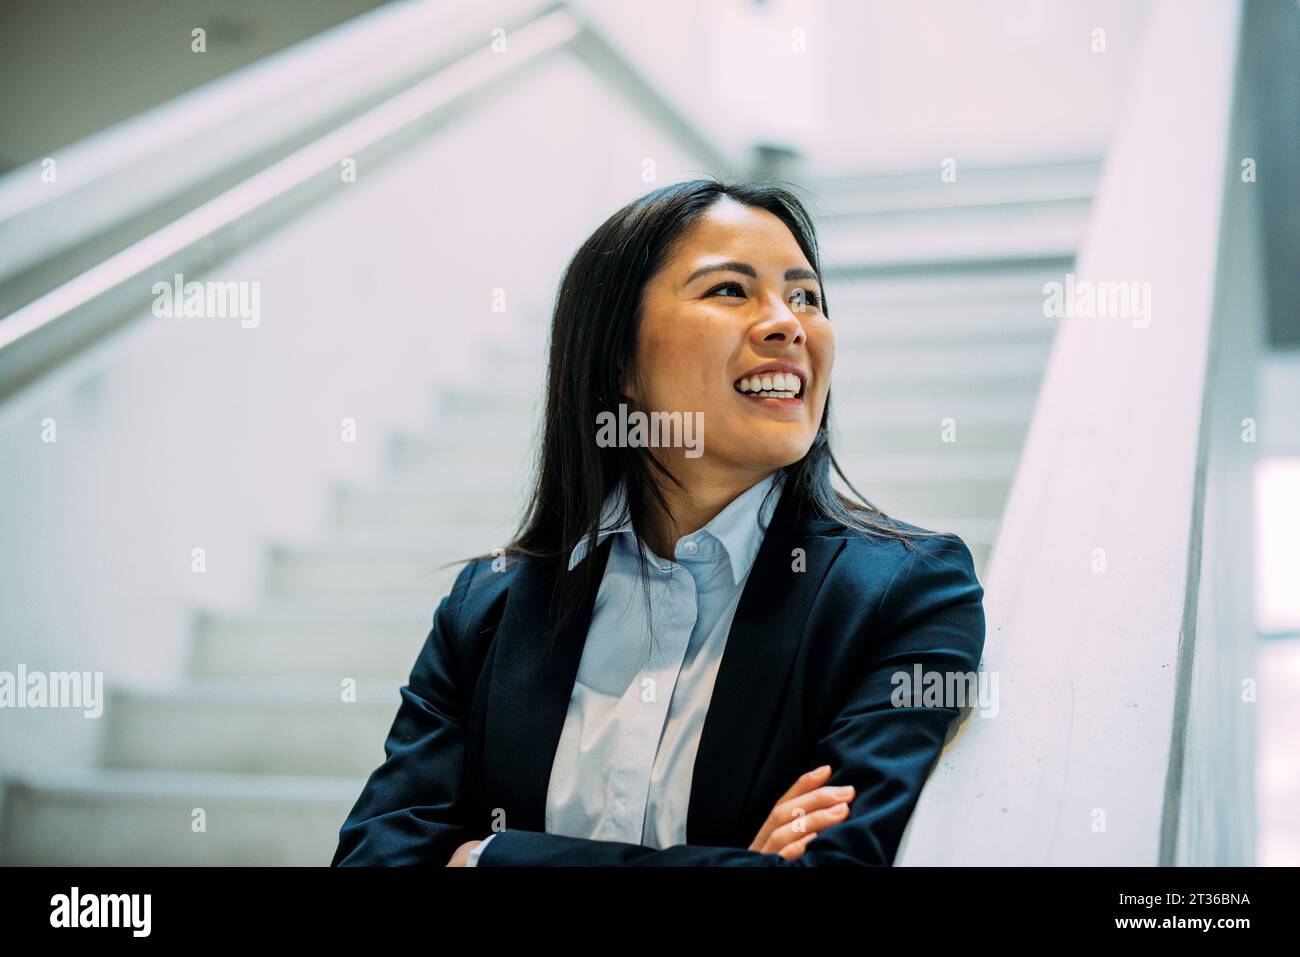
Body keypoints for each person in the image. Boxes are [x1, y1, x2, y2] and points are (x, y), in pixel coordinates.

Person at [331, 179, 985, 867]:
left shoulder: (907, 597)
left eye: (805, 296)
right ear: (620, 363)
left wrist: (483, 857)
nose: (788, 323)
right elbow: (375, 857)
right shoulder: (485, 608)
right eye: (730, 290)